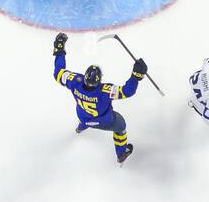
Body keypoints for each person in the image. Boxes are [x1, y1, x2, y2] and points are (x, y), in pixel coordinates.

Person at [51, 32, 145, 165]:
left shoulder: (75, 81)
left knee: (84, 118)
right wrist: (136, 75)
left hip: (83, 116)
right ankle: (121, 153)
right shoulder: (104, 91)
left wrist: (59, 49)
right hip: (105, 121)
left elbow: (58, 73)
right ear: (99, 80)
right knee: (120, 126)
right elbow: (127, 91)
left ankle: (80, 127)